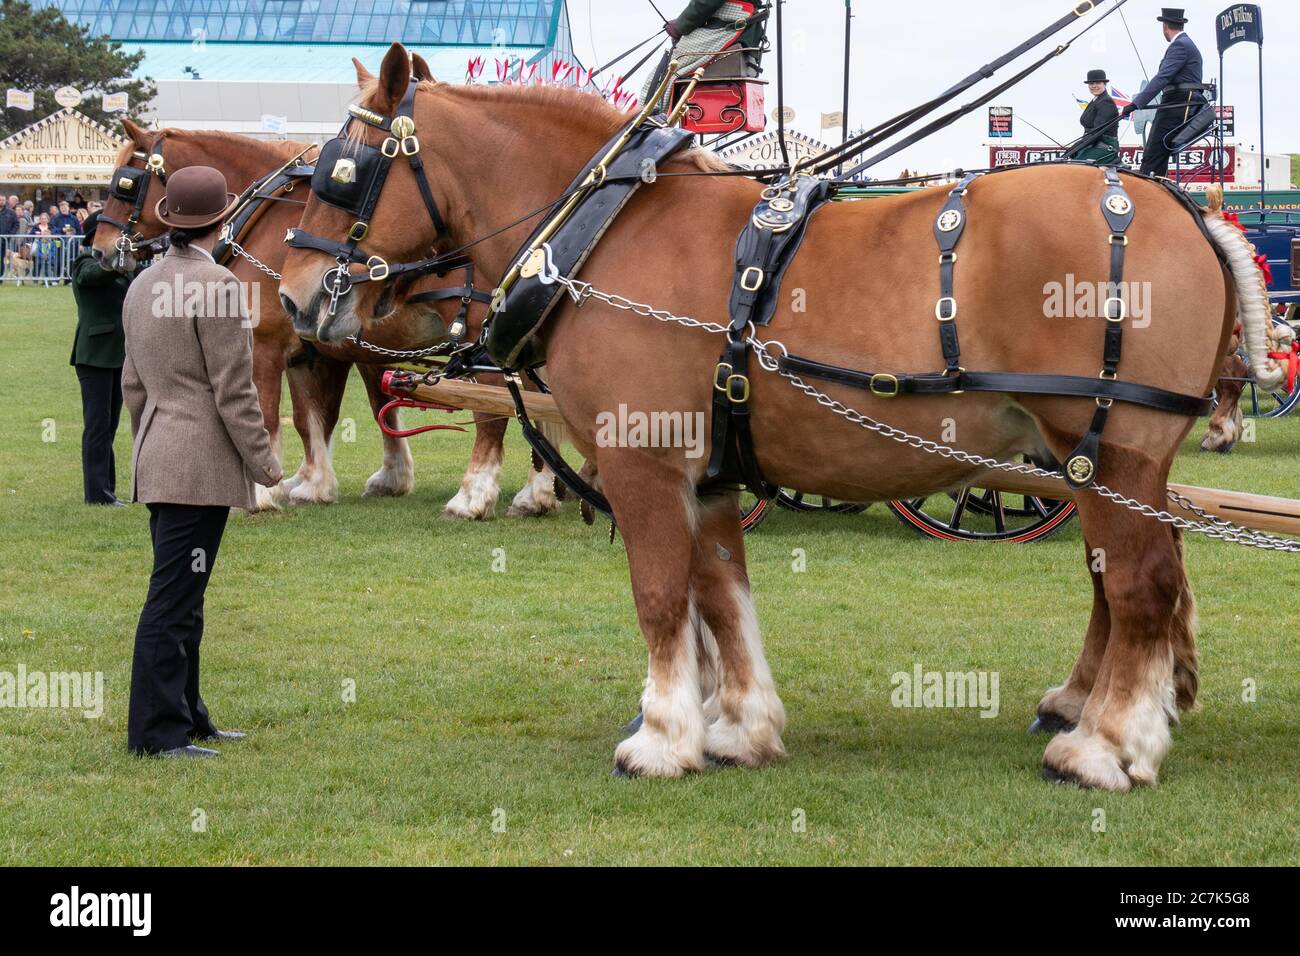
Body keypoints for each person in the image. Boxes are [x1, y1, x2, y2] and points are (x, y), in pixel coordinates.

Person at [121, 165, 282, 758]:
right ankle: (158, 734)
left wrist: (150, 445)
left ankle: (188, 715)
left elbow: (133, 383)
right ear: (224, 218)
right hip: (198, 465)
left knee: (186, 598)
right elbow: (234, 392)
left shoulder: (143, 283)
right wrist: (266, 465)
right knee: (173, 601)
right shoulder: (217, 286)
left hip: (160, 455)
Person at [70, 212, 132, 506]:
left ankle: (106, 488)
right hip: (94, 356)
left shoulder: (125, 269)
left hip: (119, 355)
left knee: (109, 426)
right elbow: (93, 276)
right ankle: (97, 493)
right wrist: (119, 261)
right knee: (97, 426)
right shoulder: (84, 263)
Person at [1120, 8, 1204, 178]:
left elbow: (1162, 77)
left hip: (1179, 102)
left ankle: (1148, 192)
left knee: (1153, 153)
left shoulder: (1180, 45)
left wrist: (1136, 104)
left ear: (1165, 26)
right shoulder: (1185, 44)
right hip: (1176, 101)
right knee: (1155, 153)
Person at [643, 1, 769, 105]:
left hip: (726, 24)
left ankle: (646, 123)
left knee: (661, 77)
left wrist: (680, 26)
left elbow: (706, 2)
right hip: (742, 25)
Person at [1069, 69, 1121, 165]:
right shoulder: (1096, 100)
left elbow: (1097, 131)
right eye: (1091, 83)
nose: (1094, 86)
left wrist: (1079, 145)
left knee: (1077, 166)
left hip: (1104, 146)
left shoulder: (1106, 102)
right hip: (1092, 143)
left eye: (1098, 83)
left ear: (1104, 84)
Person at [0, 195, 18, 279]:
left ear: (5, 201)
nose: (1, 201)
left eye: (3, 200)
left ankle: (0, 277)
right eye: (0, 200)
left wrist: (11, 234)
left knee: (1, 260)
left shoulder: (11, 212)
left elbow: (16, 224)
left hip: (4, 240)